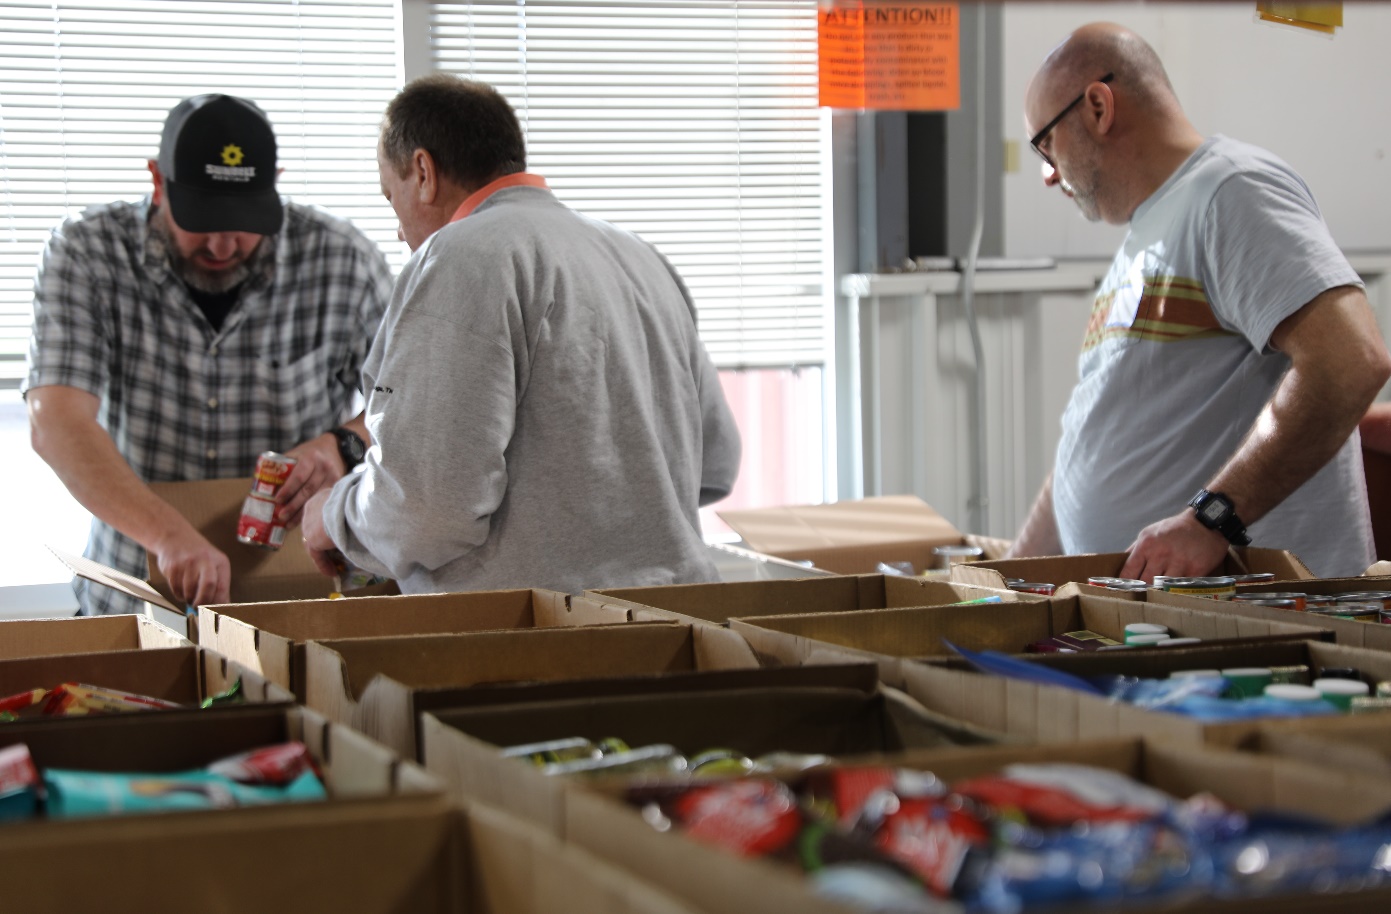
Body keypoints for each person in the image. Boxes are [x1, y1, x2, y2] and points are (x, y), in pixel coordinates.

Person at [301, 74, 740, 595]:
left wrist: (334, 516)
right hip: (679, 622)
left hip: (535, 645)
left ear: (423, 172)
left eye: (389, 197)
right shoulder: (637, 255)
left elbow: (427, 509)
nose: (398, 229)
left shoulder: (460, 256)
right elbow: (716, 460)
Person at [1006, 23, 1391, 580]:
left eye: (1045, 143)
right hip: (1161, 623)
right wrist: (1010, 581)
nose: (1048, 173)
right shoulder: (1148, 232)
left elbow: (1351, 359)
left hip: (1262, 621)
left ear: (1097, 106)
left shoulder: (1231, 190)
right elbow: (1088, 441)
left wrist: (1213, 520)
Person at [25, 94, 393, 614]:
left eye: (242, 222)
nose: (222, 247)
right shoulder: (85, 252)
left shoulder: (343, 259)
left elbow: (413, 401)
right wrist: (167, 535)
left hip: (295, 596)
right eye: (202, 219)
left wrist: (343, 446)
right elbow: (56, 422)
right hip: (134, 594)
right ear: (158, 182)